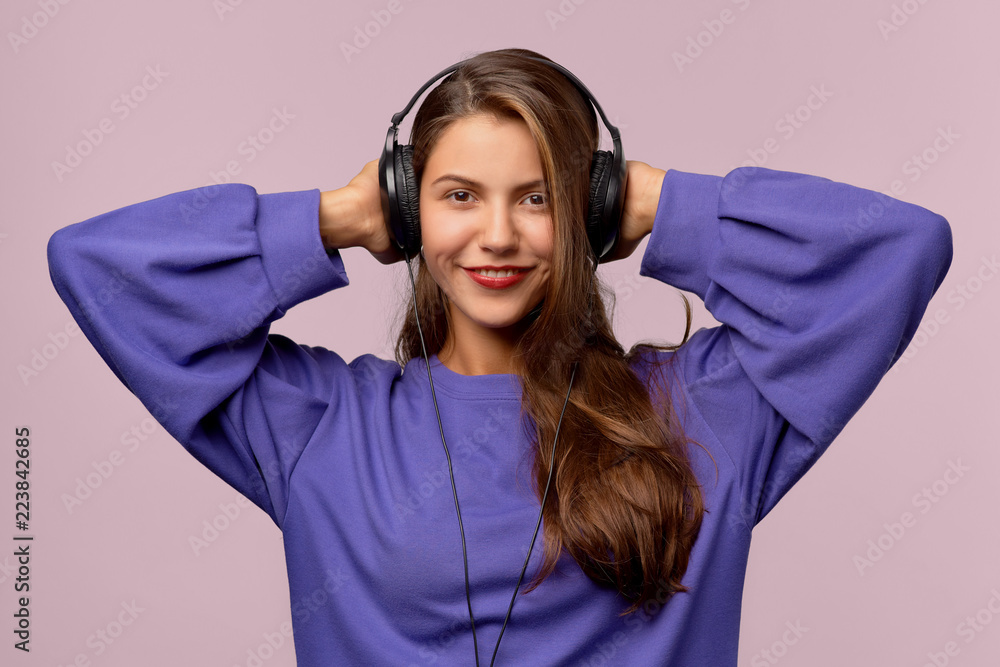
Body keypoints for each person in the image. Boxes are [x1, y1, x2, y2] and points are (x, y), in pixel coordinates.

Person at [47, 48, 952, 666]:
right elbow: (94, 267)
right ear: (410, 211)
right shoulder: (320, 423)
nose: (497, 234)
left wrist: (646, 204)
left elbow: (899, 251)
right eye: (457, 195)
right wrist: (336, 217)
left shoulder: (704, 409)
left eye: (537, 197)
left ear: (585, 211)